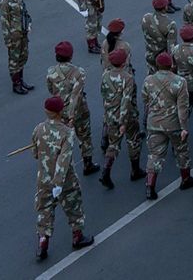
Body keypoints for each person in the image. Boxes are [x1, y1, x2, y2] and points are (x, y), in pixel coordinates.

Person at [32, 96, 94, 260]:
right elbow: (64, 159)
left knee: (45, 210)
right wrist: (58, 183)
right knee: (73, 206)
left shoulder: (38, 129)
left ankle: (43, 243)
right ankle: (77, 237)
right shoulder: (67, 133)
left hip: (43, 179)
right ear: (60, 112)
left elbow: (35, 153)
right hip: (64, 180)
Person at [141, 51, 193, 200]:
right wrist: (184, 127)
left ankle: (150, 186)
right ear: (171, 65)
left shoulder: (148, 80)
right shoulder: (180, 81)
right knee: (181, 151)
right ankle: (186, 179)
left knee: (155, 155)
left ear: (157, 65)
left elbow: (145, 100)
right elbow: (183, 107)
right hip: (174, 124)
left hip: (154, 123)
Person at [45, 41, 101, 176]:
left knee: (62, 139)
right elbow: (76, 95)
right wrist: (72, 115)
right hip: (79, 110)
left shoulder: (51, 72)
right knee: (84, 136)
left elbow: (51, 90)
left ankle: (63, 167)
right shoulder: (79, 72)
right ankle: (88, 163)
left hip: (60, 112)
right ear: (70, 56)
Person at [98, 48, 143, 190]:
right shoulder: (127, 78)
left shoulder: (105, 75)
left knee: (113, 144)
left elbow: (104, 95)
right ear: (124, 63)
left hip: (111, 115)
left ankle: (106, 170)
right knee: (133, 141)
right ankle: (135, 170)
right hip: (127, 116)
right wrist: (123, 121)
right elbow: (126, 100)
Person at [0, 0, 34, 94]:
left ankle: (21, 80)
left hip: (23, 33)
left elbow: (25, 14)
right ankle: (16, 84)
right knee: (14, 60)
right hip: (14, 36)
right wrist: (8, 40)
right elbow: (5, 23)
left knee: (23, 57)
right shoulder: (5, 3)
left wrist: (29, 24)